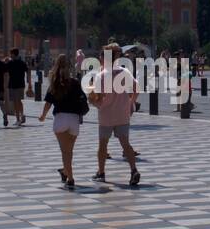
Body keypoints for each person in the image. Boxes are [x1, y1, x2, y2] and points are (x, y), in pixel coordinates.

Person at [90, 44, 140, 186]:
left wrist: (95, 103)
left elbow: (98, 98)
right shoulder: (124, 72)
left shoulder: (101, 75)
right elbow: (137, 89)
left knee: (103, 145)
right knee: (125, 144)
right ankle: (133, 170)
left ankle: (101, 172)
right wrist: (131, 103)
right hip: (122, 113)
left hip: (106, 114)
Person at [40, 53, 89, 189]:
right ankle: (65, 171)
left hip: (61, 118)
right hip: (74, 119)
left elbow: (48, 103)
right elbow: (83, 99)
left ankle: (71, 178)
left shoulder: (55, 84)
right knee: (69, 151)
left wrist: (43, 116)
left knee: (65, 152)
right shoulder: (75, 82)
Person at [6, 47, 29, 127]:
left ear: (13, 54)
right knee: (18, 101)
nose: (10, 55)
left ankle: (18, 119)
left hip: (13, 84)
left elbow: (4, 69)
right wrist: (29, 82)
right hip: (20, 84)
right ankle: (22, 115)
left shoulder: (10, 63)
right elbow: (28, 71)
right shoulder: (22, 62)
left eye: (10, 54)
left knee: (15, 102)